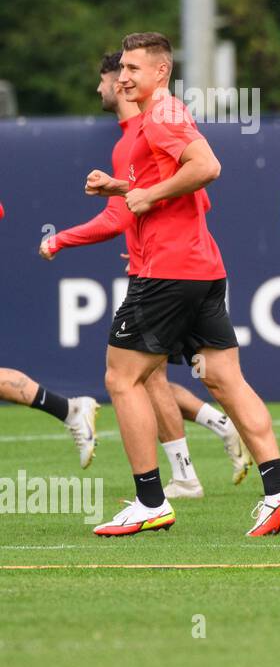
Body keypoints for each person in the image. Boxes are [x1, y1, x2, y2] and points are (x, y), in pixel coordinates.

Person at [88, 32, 280, 537]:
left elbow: (207, 167)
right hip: (201, 269)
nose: (123, 77)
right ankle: (279, 487)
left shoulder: (163, 115)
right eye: (121, 68)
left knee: (123, 379)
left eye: (134, 69)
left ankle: (150, 501)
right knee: (224, 379)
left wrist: (144, 197)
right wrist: (123, 188)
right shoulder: (160, 117)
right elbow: (179, 185)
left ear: (161, 72)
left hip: (166, 270)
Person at [40, 50, 251, 496]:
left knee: (128, 376)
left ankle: (162, 489)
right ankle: (236, 465)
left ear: (120, 83)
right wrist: (131, 206)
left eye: (112, 77)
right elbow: (182, 200)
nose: (102, 88)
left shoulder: (146, 128)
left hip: (165, 271)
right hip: (171, 265)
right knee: (163, 375)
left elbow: (141, 207)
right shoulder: (148, 127)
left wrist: (62, 239)